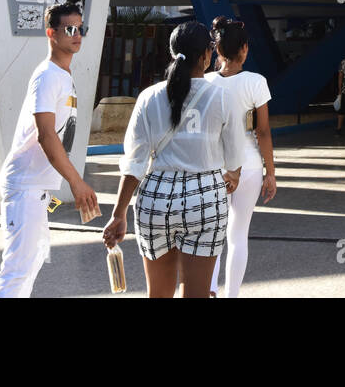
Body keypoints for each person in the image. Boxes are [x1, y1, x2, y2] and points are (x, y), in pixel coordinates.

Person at [102, 21, 245, 298]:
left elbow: (134, 162)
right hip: (205, 197)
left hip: (155, 197)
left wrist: (118, 213)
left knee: (157, 294)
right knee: (197, 294)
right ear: (207, 54)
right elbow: (235, 158)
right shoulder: (224, 97)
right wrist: (233, 176)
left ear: (172, 53)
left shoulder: (148, 97)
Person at [0, 2, 101, 297]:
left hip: (36, 190)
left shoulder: (62, 75)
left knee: (29, 265)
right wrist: (76, 182)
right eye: (70, 29)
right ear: (51, 33)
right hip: (25, 187)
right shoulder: (47, 76)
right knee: (17, 271)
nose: (77, 34)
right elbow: (46, 135)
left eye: (81, 28)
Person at [205, 16, 276, 298]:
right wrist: (270, 172)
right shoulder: (256, 82)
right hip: (248, 165)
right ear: (244, 49)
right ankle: (231, 295)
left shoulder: (206, 82)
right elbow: (263, 132)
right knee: (238, 236)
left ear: (217, 50)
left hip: (213, 167)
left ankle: (208, 290)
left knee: (211, 234)